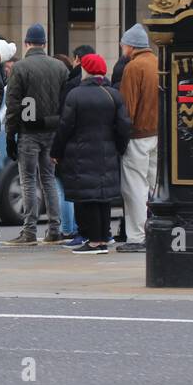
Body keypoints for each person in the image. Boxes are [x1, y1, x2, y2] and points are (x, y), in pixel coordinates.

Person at [51, 53, 130, 255]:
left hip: (80, 153)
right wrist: (119, 148)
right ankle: (103, 236)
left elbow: (65, 127)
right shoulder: (114, 94)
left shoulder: (75, 95)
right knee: (102, 197)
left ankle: (94, 241)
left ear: (85, 70)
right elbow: (123, 126)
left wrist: (56, 152)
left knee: (88, 198)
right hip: (107, 152)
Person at [3, 23, 68, 245]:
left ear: (27, 43)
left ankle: (29, 231)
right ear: (45, 43)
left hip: (28, 132)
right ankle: (54, 229)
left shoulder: (20, 68)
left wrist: (10, 135)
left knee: (28, 180)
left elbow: (13, 105)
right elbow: (65, 102)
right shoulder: (60, 67)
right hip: (52, 131)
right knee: (49, 179)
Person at [117, 24, 158, 252]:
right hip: (157, 134)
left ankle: (137, 236)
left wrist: (122, 136)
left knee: (134, 186)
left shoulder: (134, 67)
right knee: (156, 186)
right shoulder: (157, 63)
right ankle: (161, 229)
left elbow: (128, 107)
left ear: (131, 45)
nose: (123, 47)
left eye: (124, 44)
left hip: (138, 135)